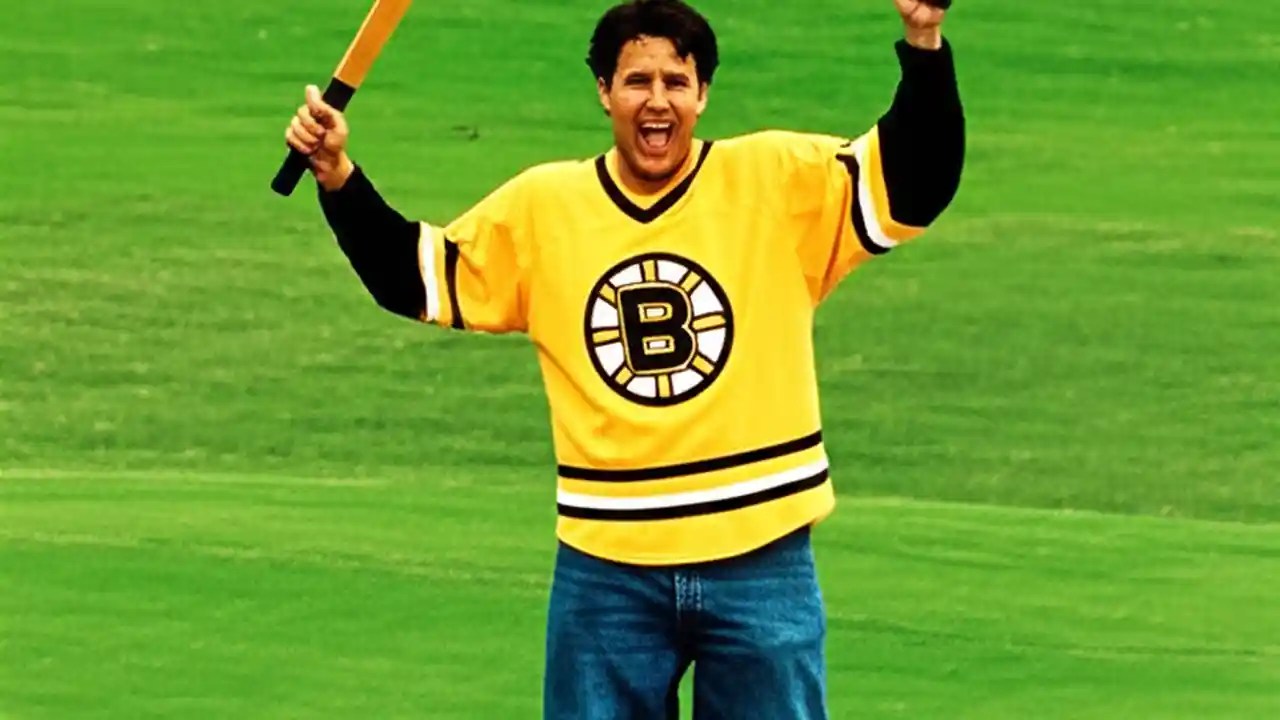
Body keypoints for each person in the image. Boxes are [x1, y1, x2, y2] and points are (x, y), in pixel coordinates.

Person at [283, 0, 963, 716]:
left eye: (676, 81)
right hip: (607, 572)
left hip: (761, 557)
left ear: (703, 94)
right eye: (637, 81)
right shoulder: (544, 208)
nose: (657, 100)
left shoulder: (775, 180)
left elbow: (917, 181)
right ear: (604, 91)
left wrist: (923, 40)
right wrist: (338, 177)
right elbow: (413, 278)